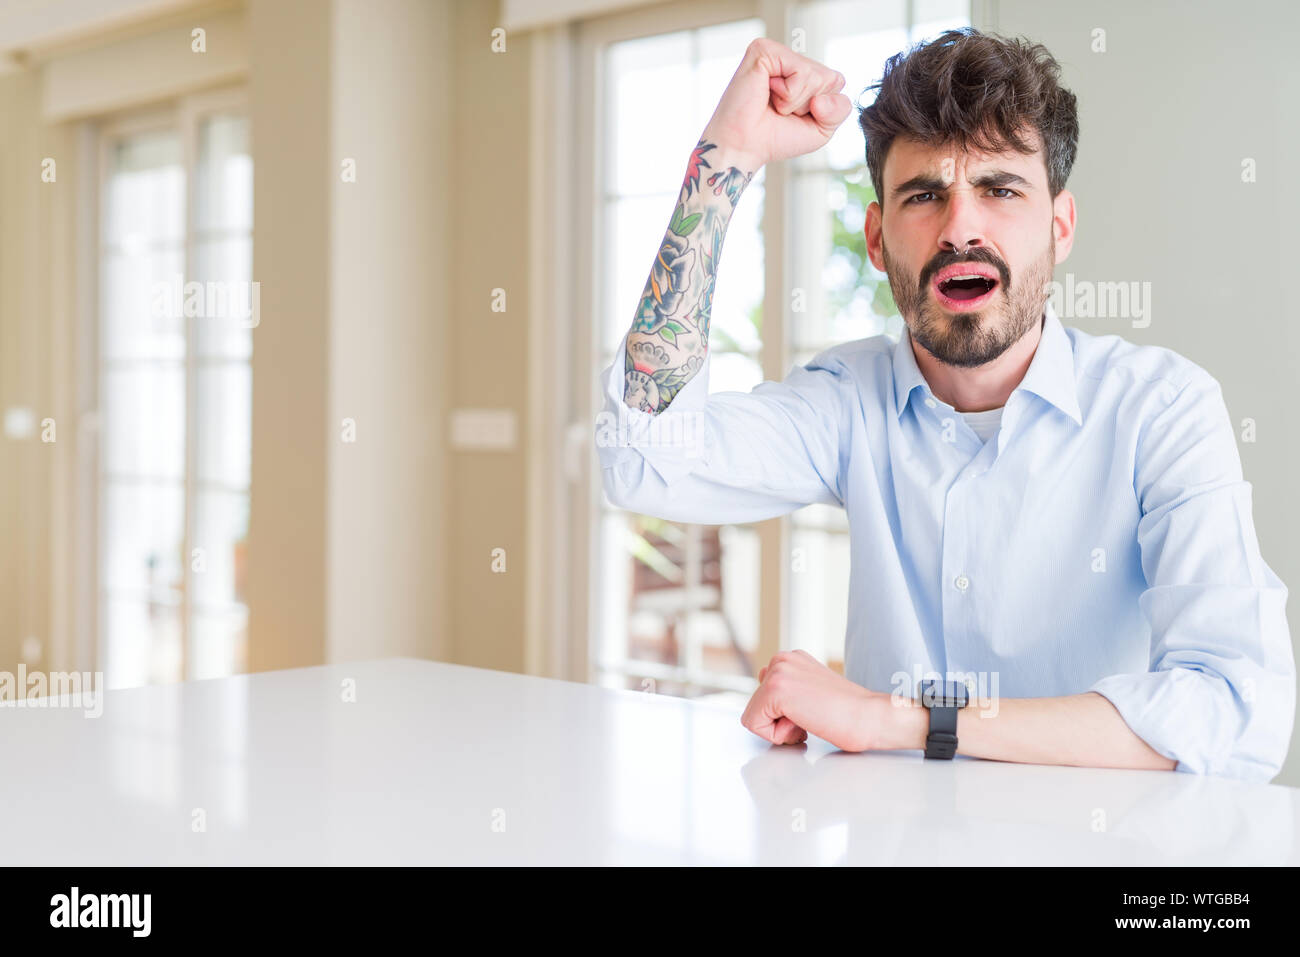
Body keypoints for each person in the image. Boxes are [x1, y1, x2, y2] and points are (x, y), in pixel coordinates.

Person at [595, 28, 1294, 781]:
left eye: (1000, 189)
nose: (960, 227)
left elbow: (1237, 708)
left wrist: (902, 720)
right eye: (925, 195)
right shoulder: (845, 402)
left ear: (1059, 228)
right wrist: (721, 162)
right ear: (876, 238)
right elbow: (642, 459)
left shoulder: (1164, 410)